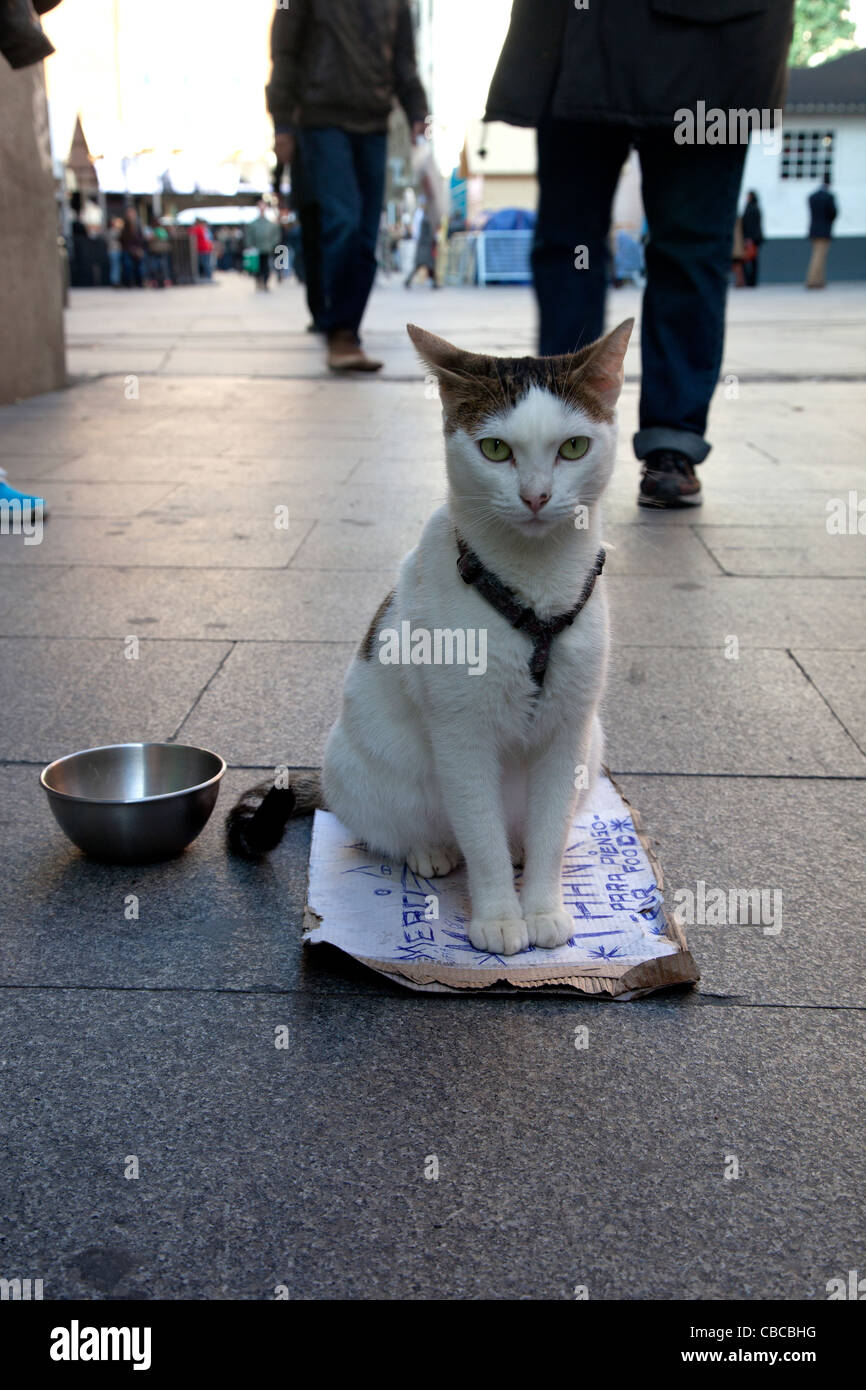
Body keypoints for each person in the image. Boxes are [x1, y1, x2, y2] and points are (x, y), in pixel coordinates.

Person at [484, 1, 794, 508]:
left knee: (691, 246)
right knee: (575, 245)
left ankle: (672, 439)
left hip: (717, 41)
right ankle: (561, 426)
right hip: (579, 32)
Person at [267, 0, 428, 371]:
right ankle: (340, 332)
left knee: (365, 234)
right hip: (321, 120)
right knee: (343, 220)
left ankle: (346, 328)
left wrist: (418, 109)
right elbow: (284, 54)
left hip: (373, 124)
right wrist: (282, 124)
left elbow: (404, 59)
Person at [806, 180, 837, 290]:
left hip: (813, 230)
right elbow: (833, 212)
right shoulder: (828, 197)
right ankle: (813, 280)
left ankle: (819, 280)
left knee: (818, 255)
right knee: (819, 257)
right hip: (824, 231)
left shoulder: (812, 197)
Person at [245, 200, 281, 290]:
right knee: (257, 267)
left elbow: (276, 236)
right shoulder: (253, 224)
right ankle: (259, 281)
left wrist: (272, 245)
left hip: (266, 249)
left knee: (266, 266)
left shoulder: (271, 224)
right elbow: (249, 236)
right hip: (256, 249)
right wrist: (250, 246)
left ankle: (265, 282)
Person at [404, 199, 437, 289]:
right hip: (425, 246)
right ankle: (434, 283)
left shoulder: (423, 217)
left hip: (423, 245)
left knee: (423, 265)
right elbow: (428, 233)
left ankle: (434, 283)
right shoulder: (425, 218)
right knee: (426, 265)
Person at [741, 191, 763, 288]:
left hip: (750, 238)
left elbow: (748, 224)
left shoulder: (750, 208)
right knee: (752, 260)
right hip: (755, 238)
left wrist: (748, 237)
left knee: (748, 260)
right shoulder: (756, 208)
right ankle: (751, 280)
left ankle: (750, 280)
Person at [119, 208, 146, 287]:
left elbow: (141, 237)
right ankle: (128, 282)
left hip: (136, 248)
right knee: (128, 266)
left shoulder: (138, 225)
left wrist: (140, 247)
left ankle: (139, 282)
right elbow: (122, 238)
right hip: (127, 249)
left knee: (138, 267)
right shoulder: (124, 225)